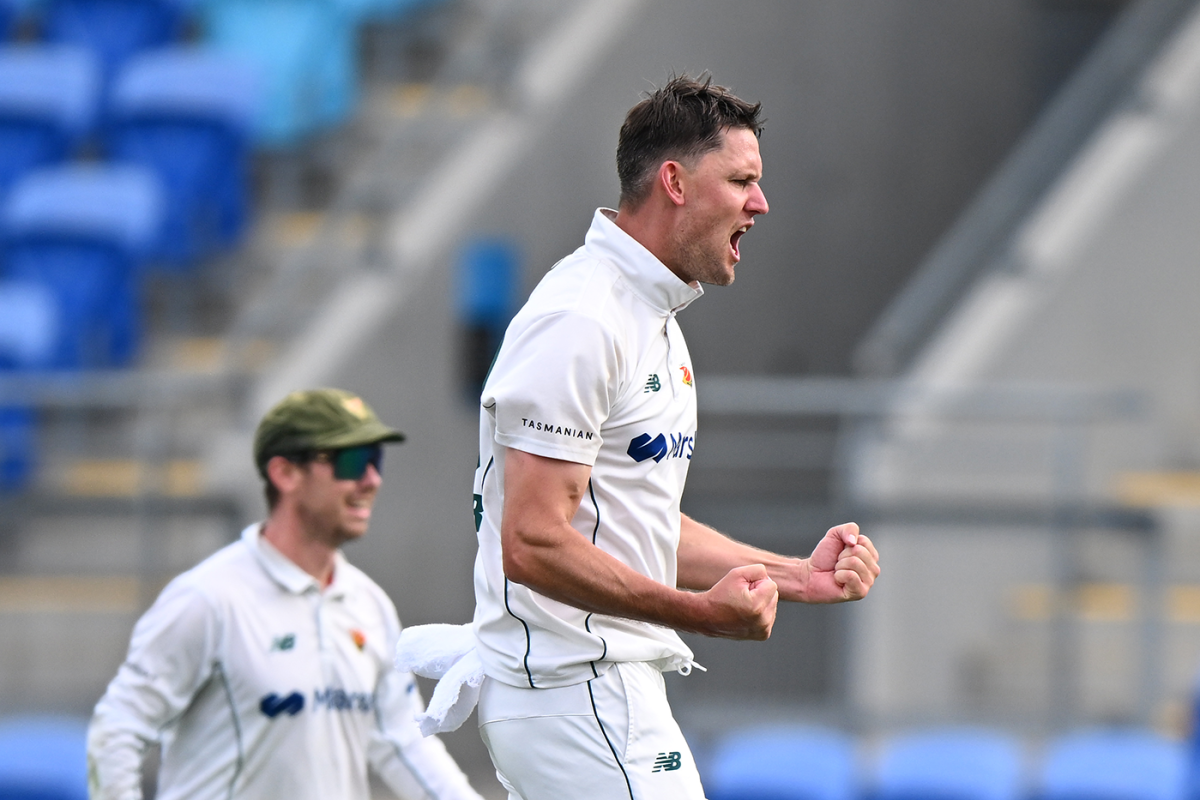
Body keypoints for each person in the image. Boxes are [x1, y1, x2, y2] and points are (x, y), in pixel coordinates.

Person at [468, 74, 882, 799]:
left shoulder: (648, 314)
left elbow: (637, 523)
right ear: (675, 182)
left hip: (600, 693)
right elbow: (531, 539)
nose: (761, 203)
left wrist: (797, 578)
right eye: (742, 180)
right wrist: (701, 616)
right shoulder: (583, 318)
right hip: (578, 693)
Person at [87, 388, 487, 800]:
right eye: (352, 461)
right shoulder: (207, 599)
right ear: (285, 473)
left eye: (376, 460)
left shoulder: (370, 605)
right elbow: (117, 730)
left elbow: (403, 743)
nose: (372, 480)